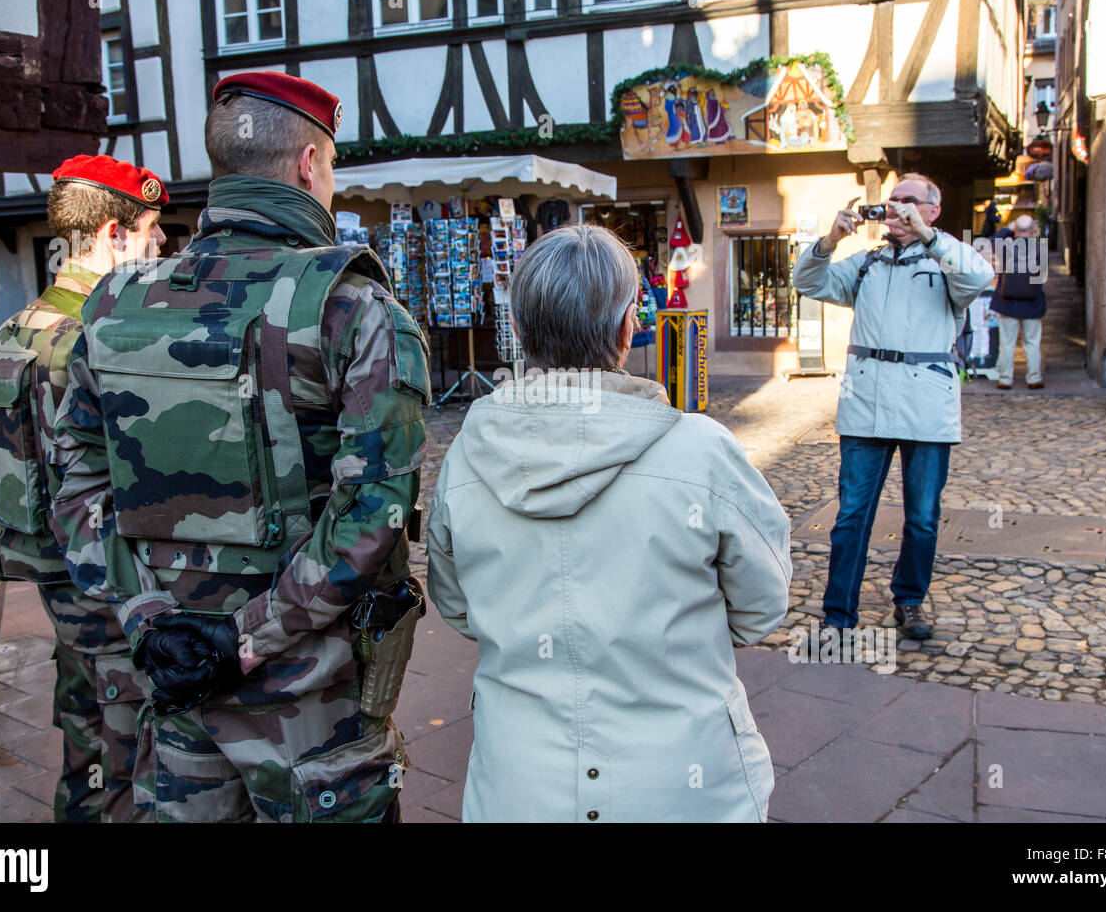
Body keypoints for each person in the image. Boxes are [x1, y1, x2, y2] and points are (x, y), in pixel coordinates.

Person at [51, 71, 430, 823]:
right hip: (310, 716)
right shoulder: (354, 309)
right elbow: (372, 515)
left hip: (174, 684)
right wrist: (245, 641)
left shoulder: (118, 302)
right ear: (308, 166)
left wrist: (148, 620)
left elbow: (74, 485)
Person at [426, 225, 792, 822]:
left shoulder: (465, 457)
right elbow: (761, 603)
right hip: (684, 786)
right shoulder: (701, 452)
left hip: (520, 787)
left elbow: (459, 605)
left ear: (517, 329)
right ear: (629, 326)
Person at [0, 154, 166, 822]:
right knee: (131, 749)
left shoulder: (15, 329)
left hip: (49, 575)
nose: (161, 244)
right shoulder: (93, 343)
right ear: (114, 234)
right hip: (100, 580)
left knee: (82, 728)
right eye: (151, 230)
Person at [791, 173, 994, 641]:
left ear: (932, 211)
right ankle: (838, 615)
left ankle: (910, 601)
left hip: (926, 406)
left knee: (922, 517)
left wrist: (927, 237)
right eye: (893, 200)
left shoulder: (946, 264)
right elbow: (807, 281)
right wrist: (830, 239)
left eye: (910, 201)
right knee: (851, 516)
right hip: (866, 405)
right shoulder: (865, 265)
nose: (898, 208)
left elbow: (980, 276)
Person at [990, 214, 1046, 390]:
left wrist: (1009, 228)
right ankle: (1034, 378)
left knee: (1007, 343)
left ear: (1015, 230)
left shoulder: (1006, 248)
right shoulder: (1040, 251)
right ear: (1032, 231)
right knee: (1032, 342)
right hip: (1032, 303)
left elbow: (993, 240)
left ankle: (1005, 379)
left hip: (1007, 303)